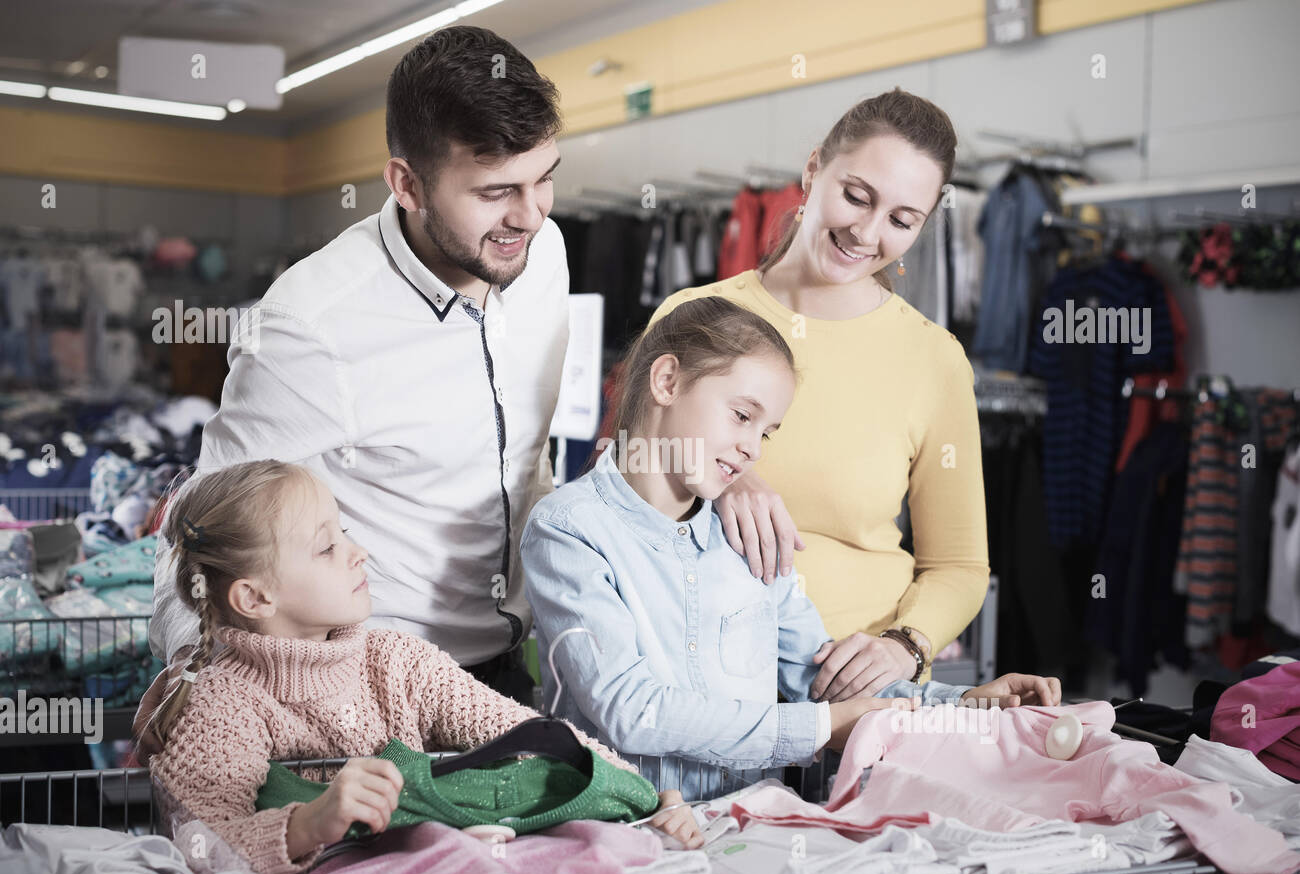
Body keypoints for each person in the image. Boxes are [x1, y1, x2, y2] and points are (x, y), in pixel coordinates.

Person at [149, 25, 571, 704]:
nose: (530, 214)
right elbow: (200, 534)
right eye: (495, 191)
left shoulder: (541, 253)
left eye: (544, 179)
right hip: (364, 696)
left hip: (509, 674)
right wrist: (197, 679)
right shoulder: (309, 327)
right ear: (407, 184)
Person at [522, 298, 1059, 801]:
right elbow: (628, 709)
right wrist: (821, 729)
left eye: (768, 432)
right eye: (741, 415)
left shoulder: (750, 538)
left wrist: (965, 707)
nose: (752, 448)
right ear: (666, 380)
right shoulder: (570, 529)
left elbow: (824, 679)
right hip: (624, 834)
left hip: (752, 833)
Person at [137, 460, 700, 874]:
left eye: (346, 531)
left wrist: (644, 798)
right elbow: (196, 846)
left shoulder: (397, 663)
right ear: (254, 597)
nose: (359, 553)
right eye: (327, 547)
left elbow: (534, 737)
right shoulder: (221, 705)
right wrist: (308, 823)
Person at [649, 88, 990, 700]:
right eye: (856, 196)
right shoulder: (694, 315)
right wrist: (720, 471)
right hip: (696, 687)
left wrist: (905, 645)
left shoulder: (934, 359)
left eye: (901, 220)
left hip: (856, 699)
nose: (866, 231)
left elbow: (959, 566)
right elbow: (616, 467)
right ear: (813, 171)